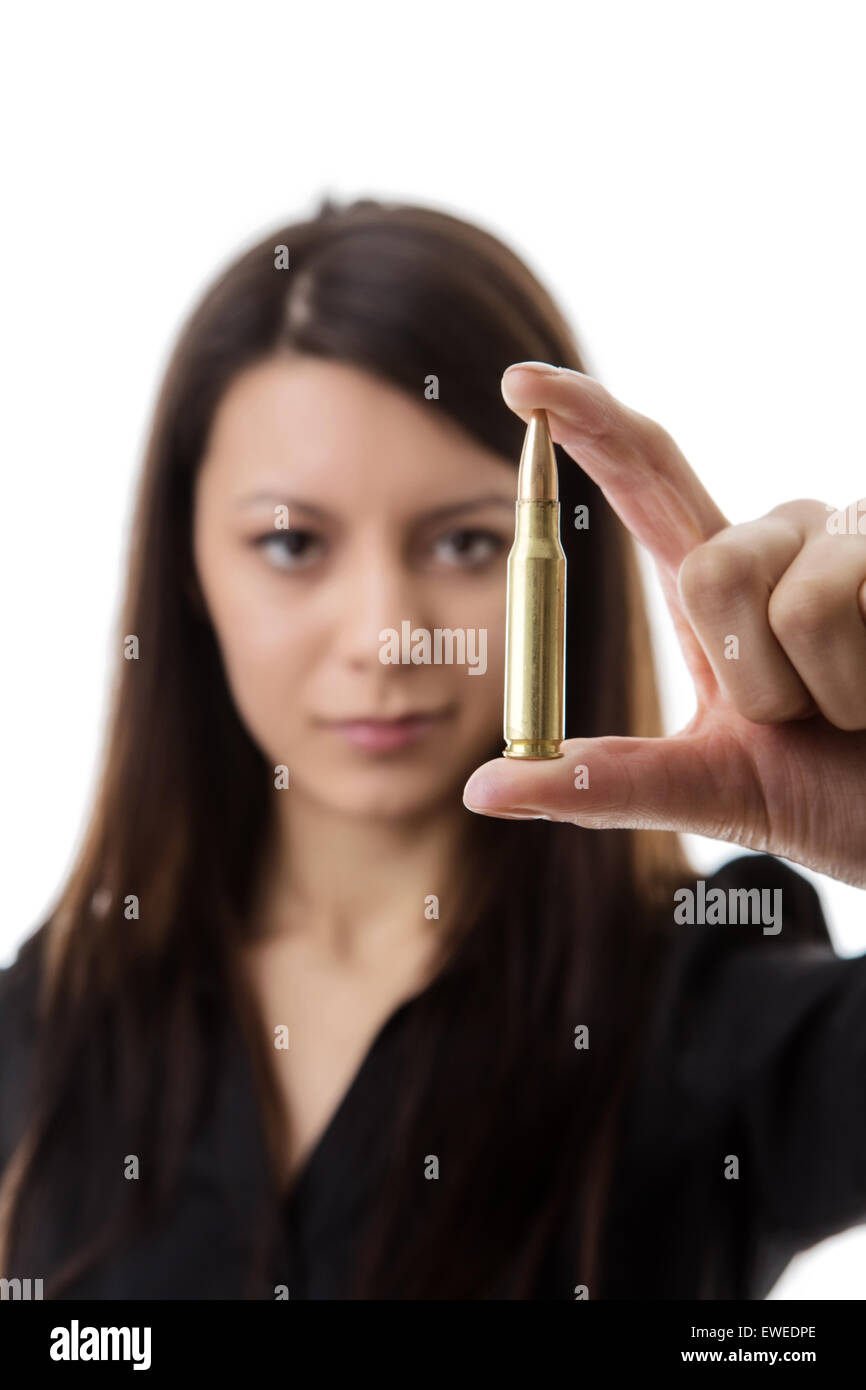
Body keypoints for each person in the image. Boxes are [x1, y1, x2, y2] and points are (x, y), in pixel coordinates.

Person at [1, 196, 864, 1301]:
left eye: (465, 541)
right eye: (290, 542)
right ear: (186, 570)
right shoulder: (39, 1036)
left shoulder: (710, 1009)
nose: (382, 635)